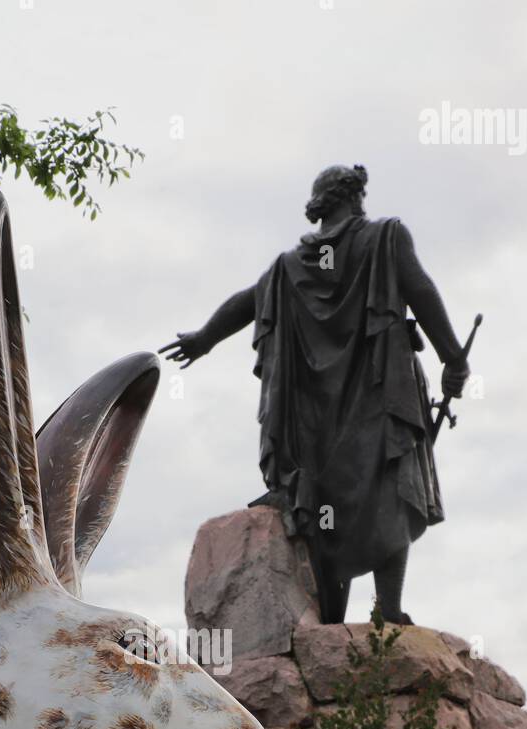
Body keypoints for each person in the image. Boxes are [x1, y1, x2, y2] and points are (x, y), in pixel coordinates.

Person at [161, 164, 470, 624]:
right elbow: (421, 289)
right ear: (355, 197)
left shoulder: (290, 267)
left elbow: (246, 302)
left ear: (319, 204)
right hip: (377, 397)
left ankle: (330, 621)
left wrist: (205, 337)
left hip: (312, 421)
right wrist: (454, 357)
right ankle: (388, 608)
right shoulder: (386, 238)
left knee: (321, 510)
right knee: (388, 488)